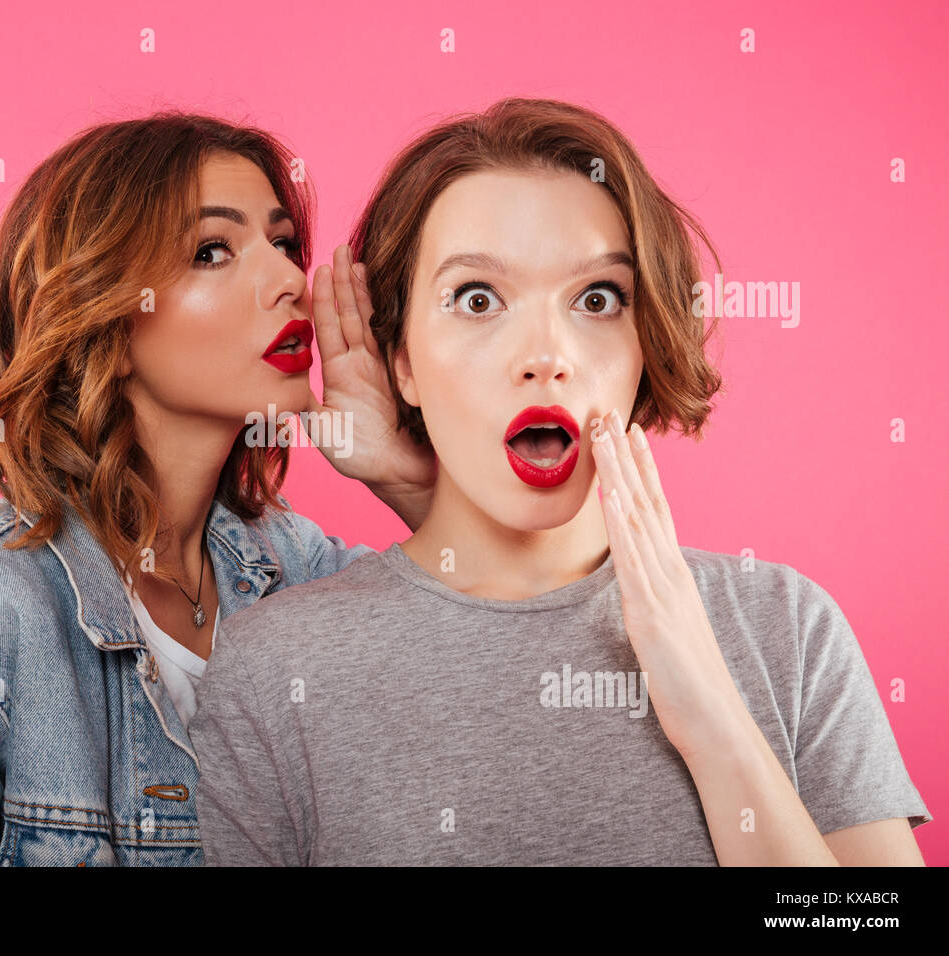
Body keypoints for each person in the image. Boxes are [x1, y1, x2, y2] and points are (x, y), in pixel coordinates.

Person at [187, 97, 931, 866]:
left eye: (597, 299)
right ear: (402, 359)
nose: (547, 354)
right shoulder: (279, 666)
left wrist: (711, 712)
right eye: (477, 299)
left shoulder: (785, 627)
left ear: (646, 340)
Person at [0, 111, 435, 866]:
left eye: (284, 242)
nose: (291, 280)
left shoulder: (295, 571)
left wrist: (404, 478)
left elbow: (506, 682)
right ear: (108, 321)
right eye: (212, 251)